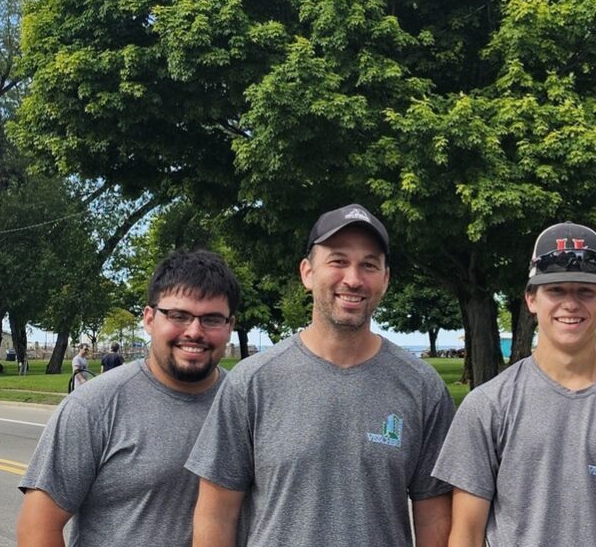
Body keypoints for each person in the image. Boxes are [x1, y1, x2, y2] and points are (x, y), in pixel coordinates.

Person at [188, 204, 454, 547]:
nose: (354, 279)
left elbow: (434, 516)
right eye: (338, 261)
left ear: (385, 280)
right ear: (307, 273)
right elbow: (216, 514)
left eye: (369, 265)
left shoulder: (422, 387)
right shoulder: (252, 382)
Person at [433, 222, 596, 547]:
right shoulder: (487, 406)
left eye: (585, 290)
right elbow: (466, 534)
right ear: (531, 298)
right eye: (555, 289)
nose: (570, 303)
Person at [16, 250, 242, 547]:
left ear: (230, 326)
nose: (194, 331)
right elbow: (37, 529)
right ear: (149, 319)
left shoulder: (246, 402)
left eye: (212, 319)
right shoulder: (93, 407)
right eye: (178, 316)